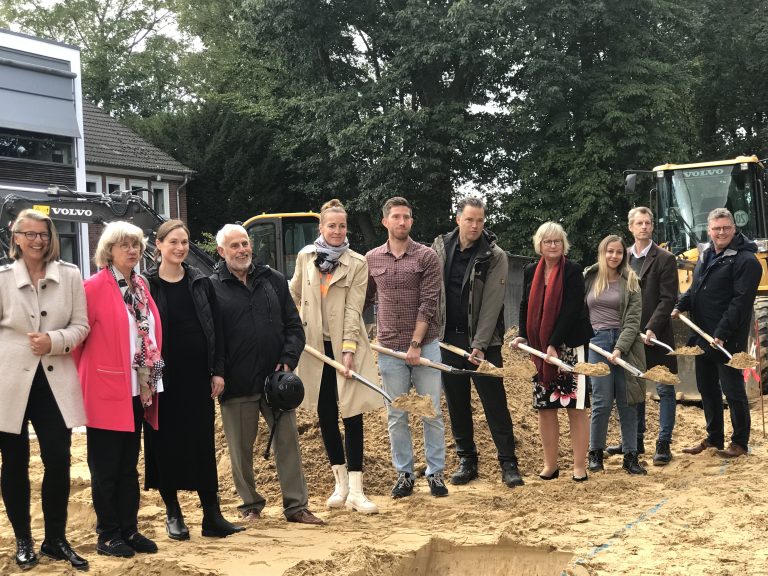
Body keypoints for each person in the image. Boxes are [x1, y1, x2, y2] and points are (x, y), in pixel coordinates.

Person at [210, 224, 323, 525]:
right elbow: (213, 337)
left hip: (277, 383)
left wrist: (288, 359)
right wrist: (217, 372)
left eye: (245, 243)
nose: (242, 250)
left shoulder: (273, 280)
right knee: (240, 449)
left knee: (287, 442)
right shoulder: (212, 287)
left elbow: (294, 327)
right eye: (234, 246)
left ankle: (296, 506)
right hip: (236, 382)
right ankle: (250, 505)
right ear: (222, 252)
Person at [0, 209, 90, 571]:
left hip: (54, 381)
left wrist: (54, 340)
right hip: (9, 382)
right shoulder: (3, 279)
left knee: (58, 459)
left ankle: (55, 539)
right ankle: (23, 539)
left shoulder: (69, 276)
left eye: (44, 234)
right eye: (30, 234)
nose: (38, 240)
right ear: (16, 238)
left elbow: (81, 326)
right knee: (14, 463)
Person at [144, 220, 244, 539]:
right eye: (173, 242)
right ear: (158, 245)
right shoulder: (145, 285)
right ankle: (174, 514)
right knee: (164, 445)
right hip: (161, 379)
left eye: (184, 242)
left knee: (202, 445)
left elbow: (217, 330)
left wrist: (218, 370)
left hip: (198, 376)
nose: (180, 247)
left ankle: (211, 516)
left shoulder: (200, 282)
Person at [76, 221, 163, 557]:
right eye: (124, 245)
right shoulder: (94, 287)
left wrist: (153, 381)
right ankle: (108, 534)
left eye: (136, 245)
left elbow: (150, 337)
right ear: (108, 251)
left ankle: (129, 529)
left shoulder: (140, 286)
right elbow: (78, 341)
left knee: (129, 466)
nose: (132, 250)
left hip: (137, 390)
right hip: (104, 390)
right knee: (106, 468)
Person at [290, 200, 383, 514]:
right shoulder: (306, 257)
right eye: (331, 225)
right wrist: (296, 327)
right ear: (321, 227)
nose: (337, 231)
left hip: (347, 349)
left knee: (351, 412)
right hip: (316, 350)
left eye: (342, 226)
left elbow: (354, 310)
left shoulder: (357, 263)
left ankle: (357, 489)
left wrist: (348, 351)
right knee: (326, 414)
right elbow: (295, 292)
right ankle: (340, 484)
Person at [432, 197, 523, 488]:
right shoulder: (440, 248)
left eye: (480, 220)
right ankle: (467, 460)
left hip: (484, 342)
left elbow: (493, 304)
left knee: (494, 402)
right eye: (469, 219)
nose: (474, 225)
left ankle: (508, 463)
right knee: (457, 402)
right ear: (457, 218)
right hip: (448, 338)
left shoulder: (494, 255)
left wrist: (481, 344)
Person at [366, 196, 447, 498]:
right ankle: (404, 474)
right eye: (396, 217)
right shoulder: (372, 259)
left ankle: (435, 474)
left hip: (424, 346)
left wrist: (415, 344)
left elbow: (429, 304)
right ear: (385, 221)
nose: (402, 222)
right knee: (397, 414)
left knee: (431, 411)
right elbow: (364, 299)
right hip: (388, 348)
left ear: (412, 221)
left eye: (407, 217)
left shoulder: (426, 257)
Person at [673, 208, 761, 458]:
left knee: (732, 391)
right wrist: (681, 304)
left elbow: (740, 302)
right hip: (702, 336)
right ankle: (714, 438)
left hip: (726, 339)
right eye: (716, 228)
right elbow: (695, 287)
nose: (721, 232)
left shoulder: (746, 261)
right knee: (707, 389)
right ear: (709, 230)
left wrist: (722, 333)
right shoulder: (706, 254)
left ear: (734, 229)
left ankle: (740, 443)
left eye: (725, 228)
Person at [511, 222, 593, 482]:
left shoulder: (573, 270)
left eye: (557, 241)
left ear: (563, 244)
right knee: (545, 407)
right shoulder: (530, 270)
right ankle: (551, 464)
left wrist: (554, 343)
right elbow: (525, 304)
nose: (553, 245)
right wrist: (523, 333)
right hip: (539, 348)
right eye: (548, 241)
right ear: (540, 245)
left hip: (570, 346)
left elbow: (571, 310)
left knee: (575, 407)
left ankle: (579, 466)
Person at [604, 207, 678, 465]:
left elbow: (669, 298)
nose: (644, 227)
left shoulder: (665, 258)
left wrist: (653, 327)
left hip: (657, 335)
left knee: (664, 389)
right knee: (635, 388)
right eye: (639, 223)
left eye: (648, 222)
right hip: (631, 336)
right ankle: (635, 440)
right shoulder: (621, 260)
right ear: (631, 227)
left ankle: (663, 443)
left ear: (652, 227)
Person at [584, 235, 647, 475]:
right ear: (603, 252)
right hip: (596, 343)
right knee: (601, 400)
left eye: (619, 252)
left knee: (627, 401)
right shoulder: (589, 277)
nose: (614, 256)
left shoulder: (630, 280)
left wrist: (619, 348)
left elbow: (633, 320)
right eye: (610, 251)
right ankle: (595, 453)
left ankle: (631, 456)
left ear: (624, 255)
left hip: (627, 345)